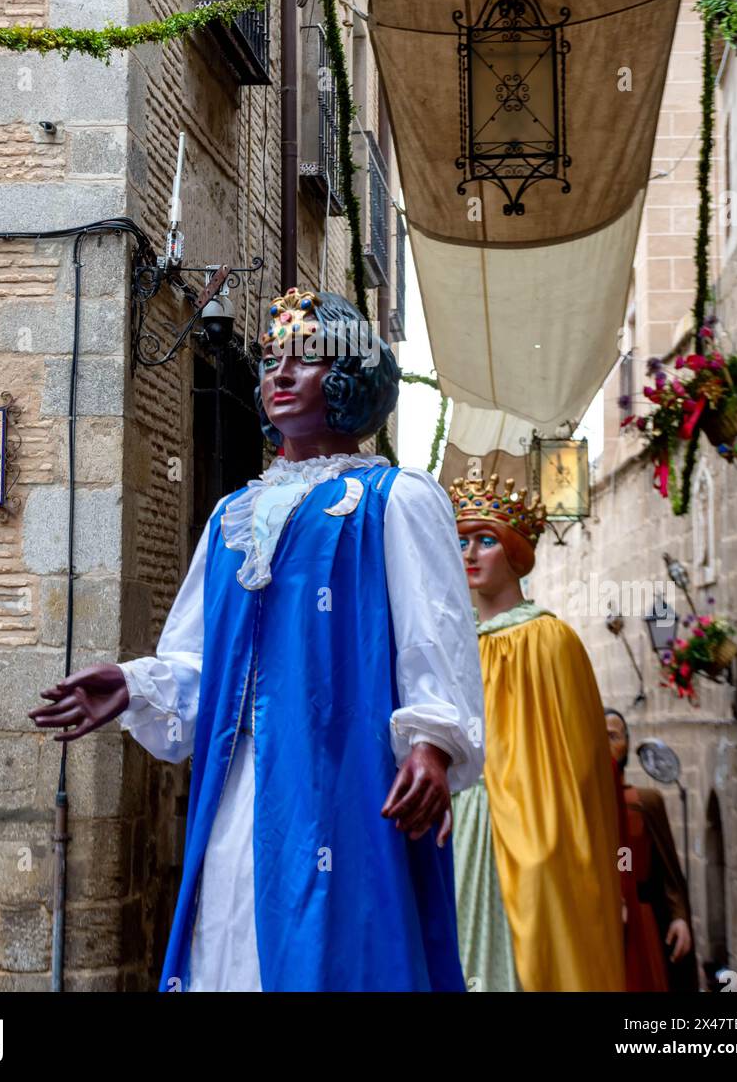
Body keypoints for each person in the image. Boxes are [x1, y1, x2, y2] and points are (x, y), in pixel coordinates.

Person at [29, 288, 484, 992]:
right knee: (233, 931)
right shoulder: (230, 514)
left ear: (347, 377)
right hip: (240, 782)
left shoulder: (396, 500)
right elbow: (200, 661)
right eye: (272, 359)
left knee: (336, 940)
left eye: (303, 360)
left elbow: (437, 635)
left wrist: (432, 739)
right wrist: (133, 684)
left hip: (344, 774)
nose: (279, 373)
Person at [449, 473, 625, 991]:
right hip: (456, 825)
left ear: (514, 551)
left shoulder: (551, 640)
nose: (471, 553)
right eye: (461, 540)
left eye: (486, 540)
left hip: (530, 830)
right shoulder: (449, 642)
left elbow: (581, 766)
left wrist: (548, 839)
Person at [605, 709, 698, 993]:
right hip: (599, 927)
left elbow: (669, 871)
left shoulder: (647, 803)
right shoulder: (577, 808)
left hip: (643, 923)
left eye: (612, 736)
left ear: (627, 744)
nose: (606, 743)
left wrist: (679, 917)